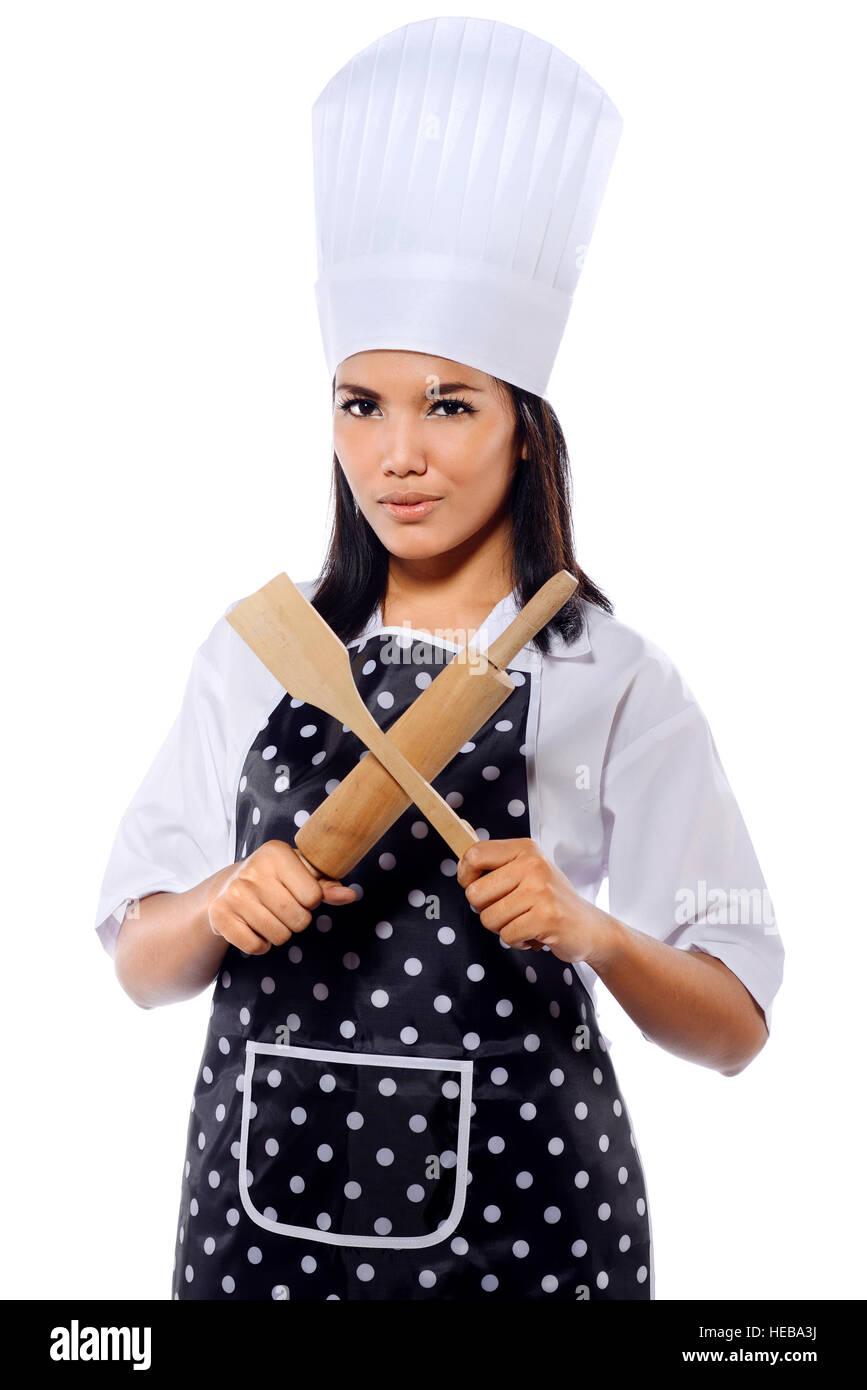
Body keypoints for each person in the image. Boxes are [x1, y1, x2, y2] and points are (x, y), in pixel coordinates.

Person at [94, 17, 784, 1301]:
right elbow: (140, 964)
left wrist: (590, 930)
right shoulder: (263, 651)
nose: (395, 456)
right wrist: (214, 907)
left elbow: (737, 1028)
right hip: (264, 1225)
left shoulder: (608, 674)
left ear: (527, 431)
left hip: (530, 1234)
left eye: (449, 404)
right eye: (361, 403)